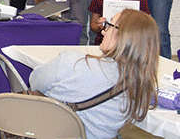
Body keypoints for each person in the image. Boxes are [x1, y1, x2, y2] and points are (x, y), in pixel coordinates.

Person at [29, 9, 159, 139]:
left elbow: (35, 82)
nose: (103, 31)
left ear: (123, 36)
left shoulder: (71, 62)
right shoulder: (141, 86)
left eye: (108, 26)